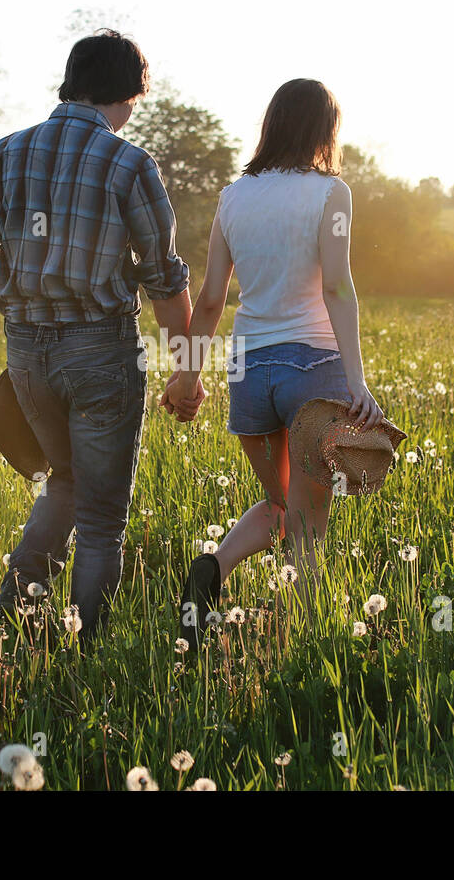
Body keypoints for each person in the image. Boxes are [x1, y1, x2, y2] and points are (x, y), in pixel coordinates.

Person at [0, 29, 204, 646]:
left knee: (64, 480)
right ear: (130, 94)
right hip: (102, 353)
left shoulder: (4, 154)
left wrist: (25, 312)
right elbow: (163, 279)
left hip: (27, 354)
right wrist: (187, 370)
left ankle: (12, 619)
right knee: (100, 521)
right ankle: (86, 651)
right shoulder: (128, 162)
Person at [160, 78, 384, 653]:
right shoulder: (333, 196)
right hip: (315, 371)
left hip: (250, 372)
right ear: (325, 130)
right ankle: (309, 649)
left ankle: (215, 568)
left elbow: (210, 298)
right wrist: (357, 382)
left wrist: (188, 374)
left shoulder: (234, 196)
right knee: (309, 523)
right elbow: (337, 285)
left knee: (283, 504)